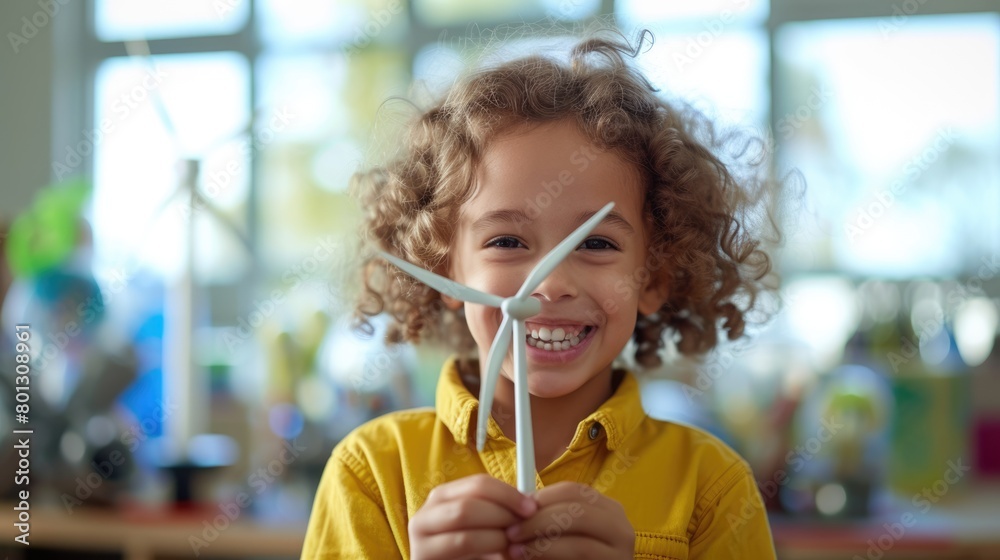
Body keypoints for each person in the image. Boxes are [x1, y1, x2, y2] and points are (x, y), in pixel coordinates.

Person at [302, 29, 781, 559]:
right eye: (506, 241)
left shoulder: (711, 488)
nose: (550, 284)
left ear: (655, 277)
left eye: (596, 242)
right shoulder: (372, 471)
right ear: (442, 270)